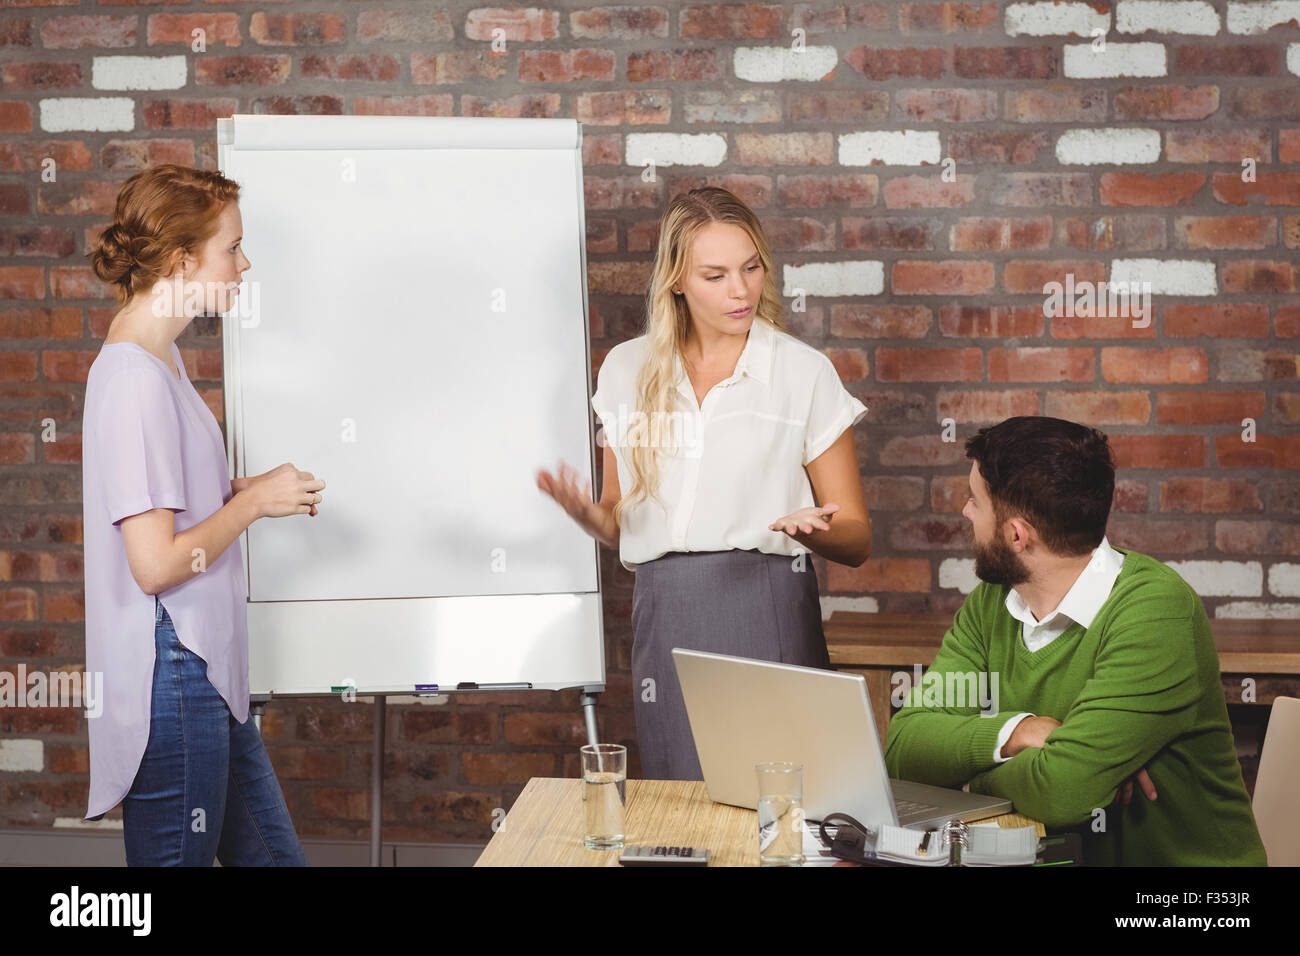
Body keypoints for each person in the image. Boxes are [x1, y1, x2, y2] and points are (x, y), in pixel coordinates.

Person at [537, 186, 872, 779]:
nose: (741, 290)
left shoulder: (802, 372)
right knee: (683, 805)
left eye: (750, 267)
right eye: (716, 275)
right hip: (664, 613)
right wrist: (587, 515)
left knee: (779, 806)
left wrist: (812, 531)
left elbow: (856, 538)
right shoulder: (626, 369)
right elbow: (619, 521)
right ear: (676, 280)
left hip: (767, 603)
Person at [884, 416, 1267, 865]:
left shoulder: (1155, 610)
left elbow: (1062, 791)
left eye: (975, 500)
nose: (965, 511)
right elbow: (904, 747)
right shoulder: (992, 603)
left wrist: (966, 783)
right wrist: (1019, 732)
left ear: (1016, 535)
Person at [83, 163, 325, 865]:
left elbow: (166, 502)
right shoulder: (134, 380)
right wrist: (249, 504)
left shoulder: (164, 363)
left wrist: (240, 488)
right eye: (232, 248)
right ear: (185, 262)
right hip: (175, 680)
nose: (245, 263)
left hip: (206, 678)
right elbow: (155, 563)